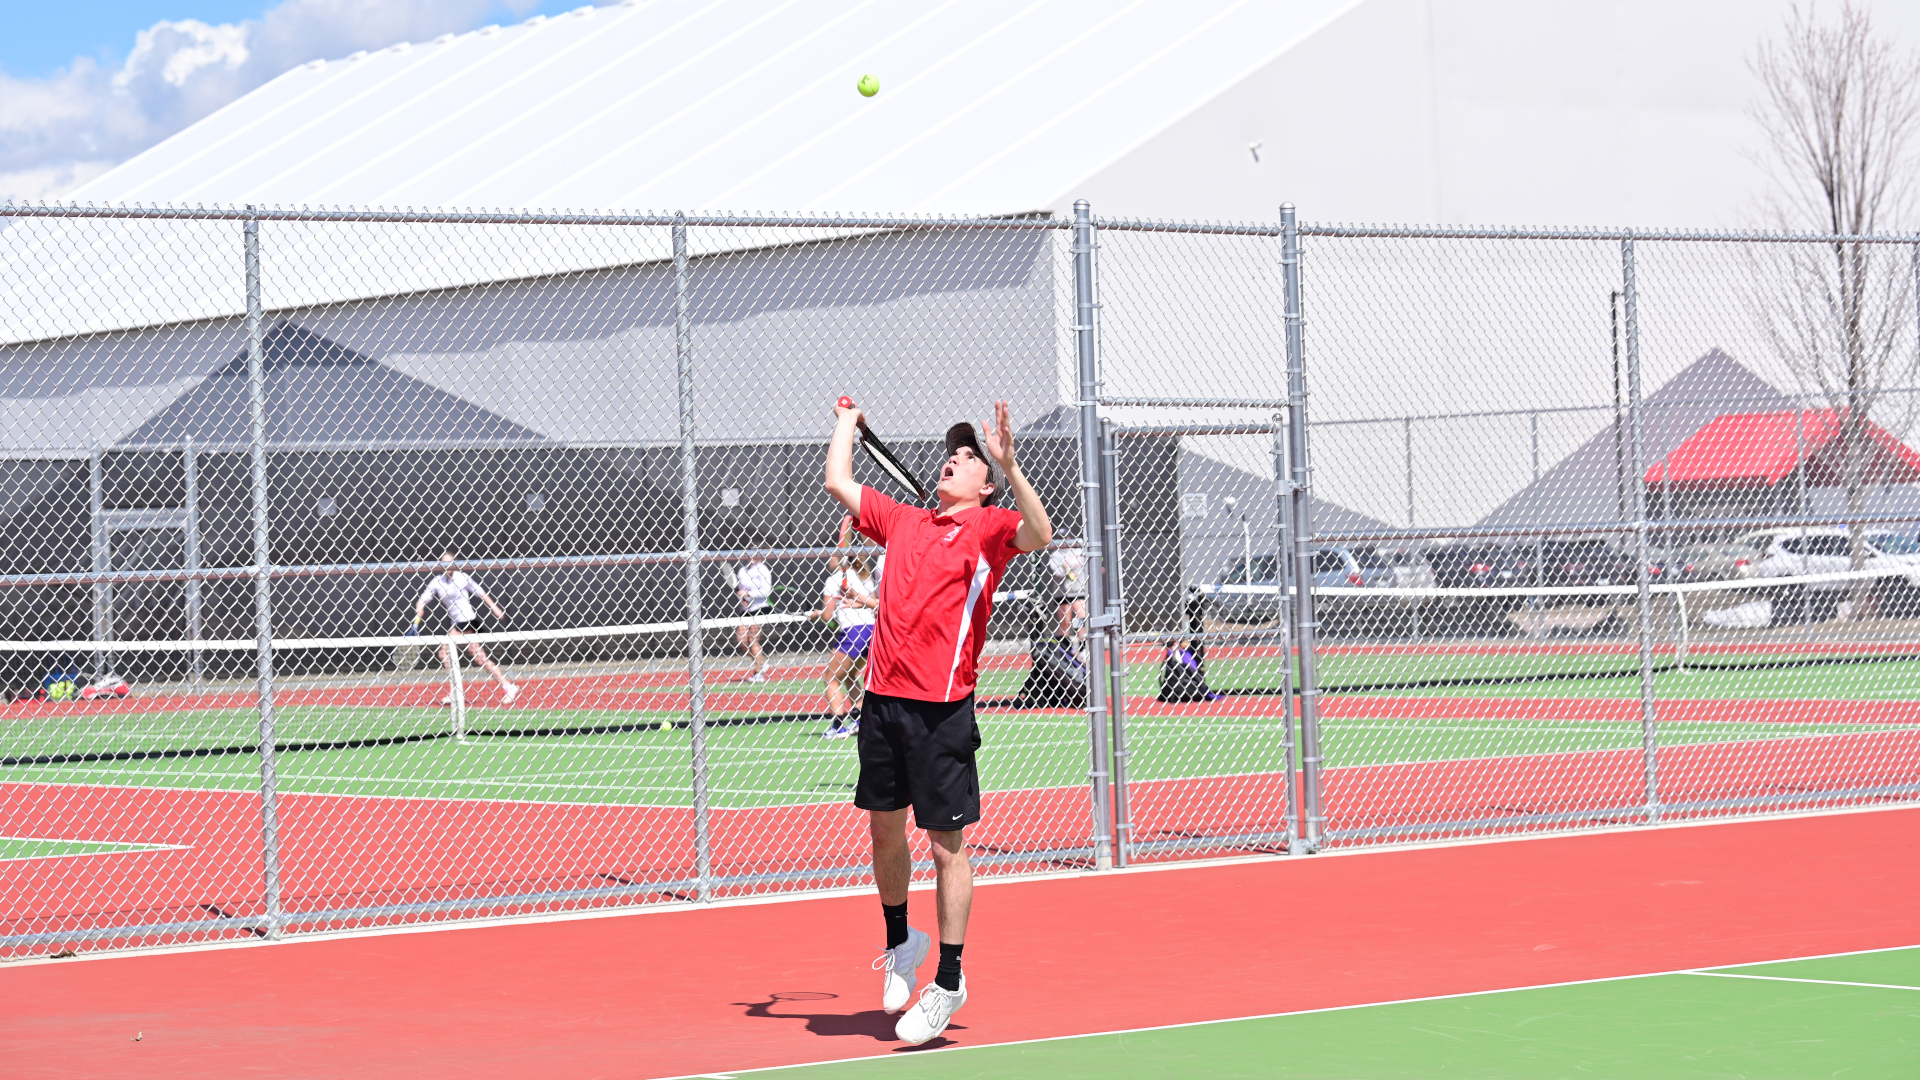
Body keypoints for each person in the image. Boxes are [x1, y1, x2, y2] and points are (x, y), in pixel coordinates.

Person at [824, 398, 1053, 1046]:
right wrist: (847, 420)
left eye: (969, 458)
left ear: (985, 486)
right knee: (883, 833)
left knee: (947, 848)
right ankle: (902, 944)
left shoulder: (989, 530)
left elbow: (1040, 534)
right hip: (882, 703)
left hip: (942, 711)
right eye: (951, 455)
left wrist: (1010, 463)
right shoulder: (903, 521)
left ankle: (948, 982)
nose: (955, 461)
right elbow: (839, 481)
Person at [413, 553, 518, 705]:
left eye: (450, 563)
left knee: (444, 651)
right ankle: (507, 685)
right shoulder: (437, 582)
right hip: (457, 623)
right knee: (479, 658)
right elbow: (422, 599)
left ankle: (456, 691)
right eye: (444, 563)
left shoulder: (462, 577)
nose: (447, 566)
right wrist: (419, 608)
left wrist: (495, 608)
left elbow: (480, 591)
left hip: (468, 621)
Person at [813, 548, 880, 738]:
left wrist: (817, 615)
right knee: (850, 675)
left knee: (831, 678)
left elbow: (827, 615)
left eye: (833, 555)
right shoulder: (865, 576)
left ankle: (839, 725)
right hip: (872, 631)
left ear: (841, 558)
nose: (829, 559)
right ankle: (860, 719)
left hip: (854, 632)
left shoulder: (834, 579)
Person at [734, 557, 773, 683]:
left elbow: (766, 591)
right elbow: (740, 592)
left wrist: (749, 594)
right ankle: (760, 664)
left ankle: (759, 673)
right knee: (742, 641)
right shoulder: (742, 571)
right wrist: (743, 599)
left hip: (760, 608)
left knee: (753, 640)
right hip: (746, 610)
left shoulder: (763, 569)